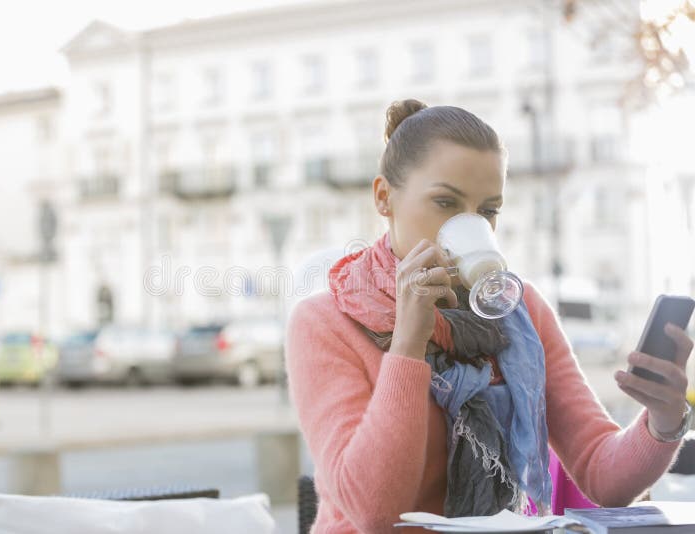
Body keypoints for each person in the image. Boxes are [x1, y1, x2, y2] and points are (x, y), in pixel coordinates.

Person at [284, 100, 694, 534]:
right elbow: (377, 513)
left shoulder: (521, 309)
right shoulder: (324, 322)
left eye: (488, 210)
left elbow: (599, 473)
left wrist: (663, 423)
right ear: (384, 198)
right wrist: (408, 343)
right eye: (446, 202)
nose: (471, 225)